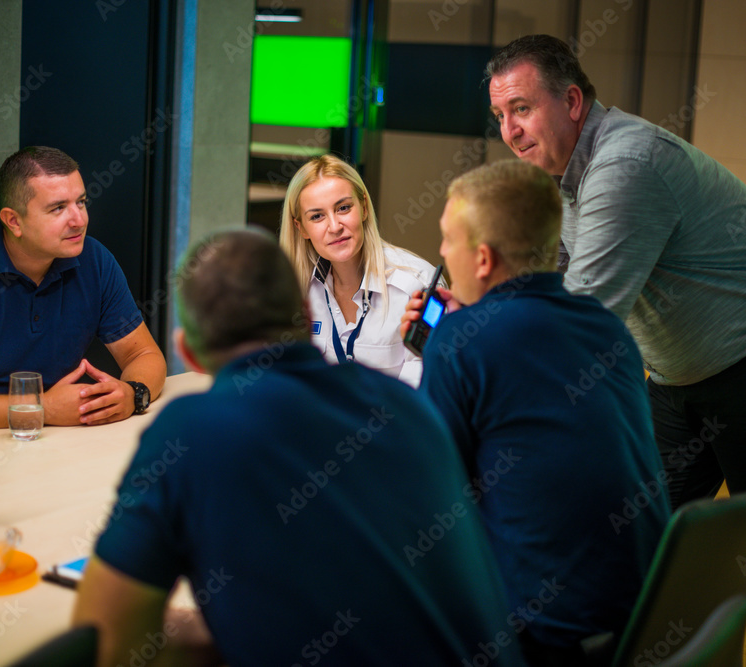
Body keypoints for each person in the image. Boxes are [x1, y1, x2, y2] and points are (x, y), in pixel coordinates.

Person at [484, 35, 746, 666]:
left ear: (570, 100)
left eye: (521, 108)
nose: (510, 131)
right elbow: (559, 284)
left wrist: (485, 375)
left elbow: (586, 320)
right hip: (681, 370)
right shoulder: (566, 174)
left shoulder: (626, 164)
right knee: (654, 533)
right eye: (500, 117)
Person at [73, 228, 526, 667]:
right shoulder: (407, 407)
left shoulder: (190, 430)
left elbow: (106, 643)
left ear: (188, 352)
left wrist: (201, 628)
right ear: (306, 323)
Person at [403, 160, 670, 664]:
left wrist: (454, 344)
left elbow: (431, 503)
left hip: (542, 638)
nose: (440, 253)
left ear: (482, 259)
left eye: (446, 239)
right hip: (643, 619)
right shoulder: (606, 328)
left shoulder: (461, 344)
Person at [0, 146, 165, 428]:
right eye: (58, 208)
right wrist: (38, 409)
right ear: (14, 221)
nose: (79, 220)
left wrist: (133, 392)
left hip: (65, 440)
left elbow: (143, 354)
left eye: (81, 202)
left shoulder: (94, 260)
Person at [279, 154, 441, 386]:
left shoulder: (416, 285)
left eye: (343, 208)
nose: (334, 227)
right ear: (301, 228)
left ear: (364, 207)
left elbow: (424, 394)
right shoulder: (295, 293)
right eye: (317, 216)